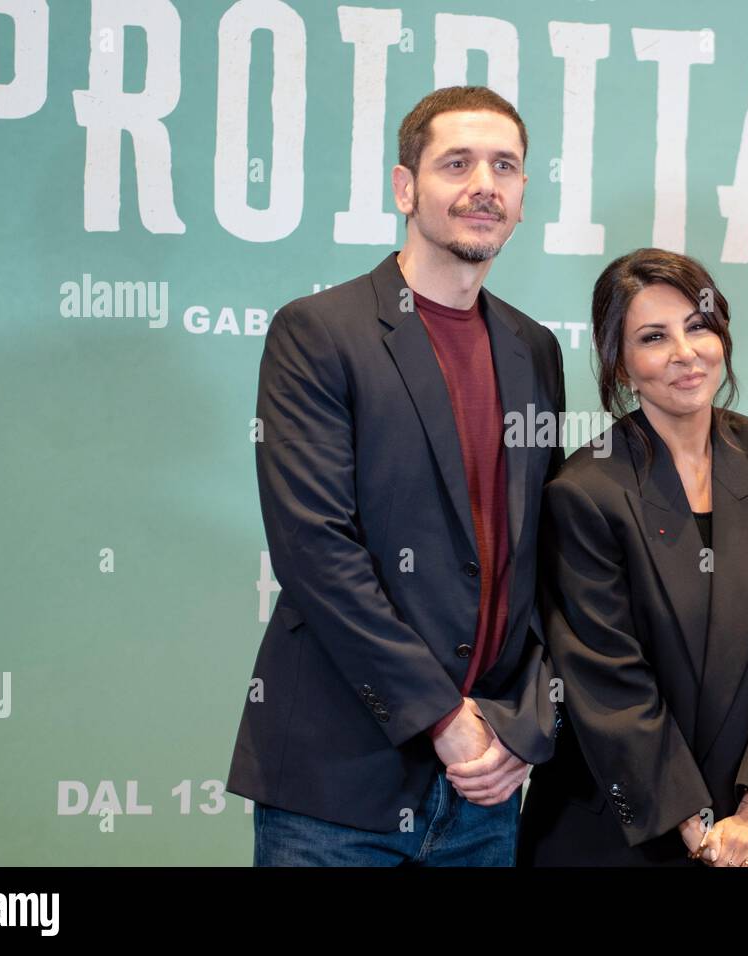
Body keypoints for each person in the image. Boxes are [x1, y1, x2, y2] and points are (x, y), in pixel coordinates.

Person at [226, 86, 565, 866]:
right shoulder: (319, 333)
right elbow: (316, 551)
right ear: (405, 187)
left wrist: (522, 726)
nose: (485, 183)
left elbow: (539, 559)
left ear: (520, 197)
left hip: (487, 791)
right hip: (337, 793)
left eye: (505, 166)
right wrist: (443, 719)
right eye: (457, 163)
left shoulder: (534, 349)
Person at [518, 248, 748, 867]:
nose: (685, 352)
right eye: (653, 337)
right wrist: (695, 825)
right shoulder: (585, 491)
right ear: (623, 366)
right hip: (618, 823)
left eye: (699, 325)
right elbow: (606, 677)